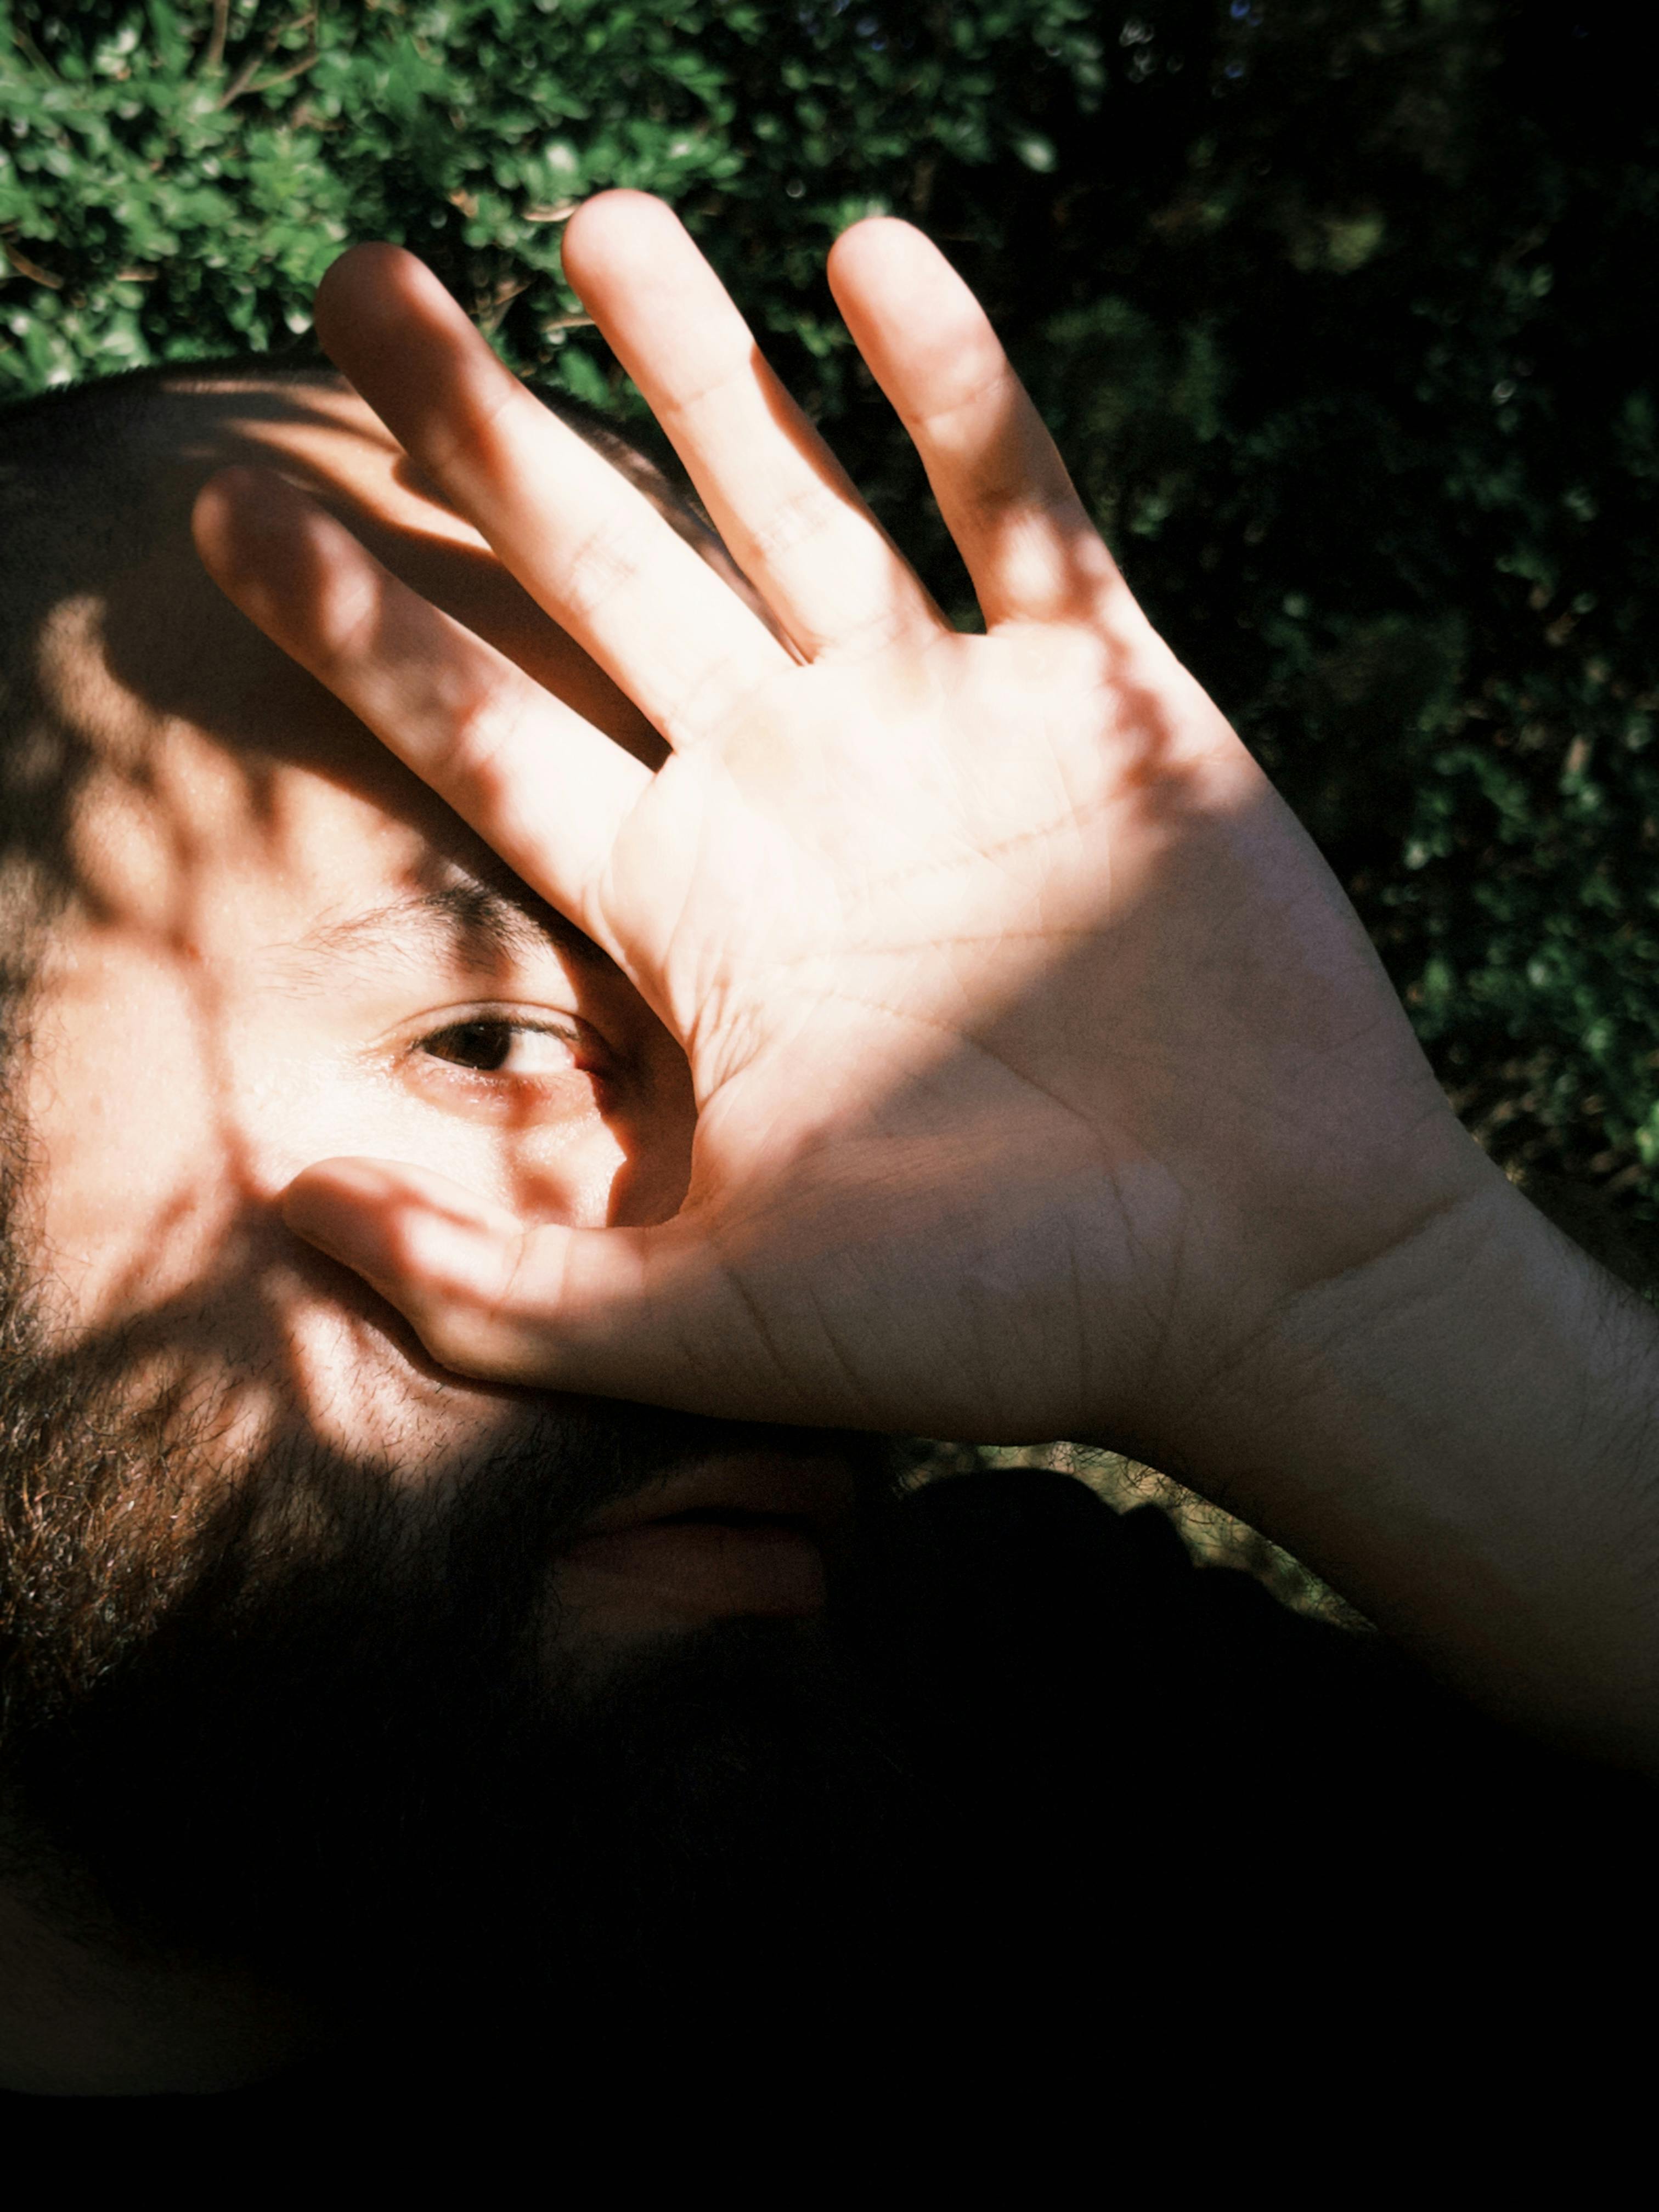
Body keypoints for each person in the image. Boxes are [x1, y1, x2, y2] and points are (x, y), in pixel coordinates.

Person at [0, 192, 1651, 2103]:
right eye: (500, 1042)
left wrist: (1368, 1300)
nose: (768, 1205)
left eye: (846, 1072)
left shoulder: (1080, 1779)